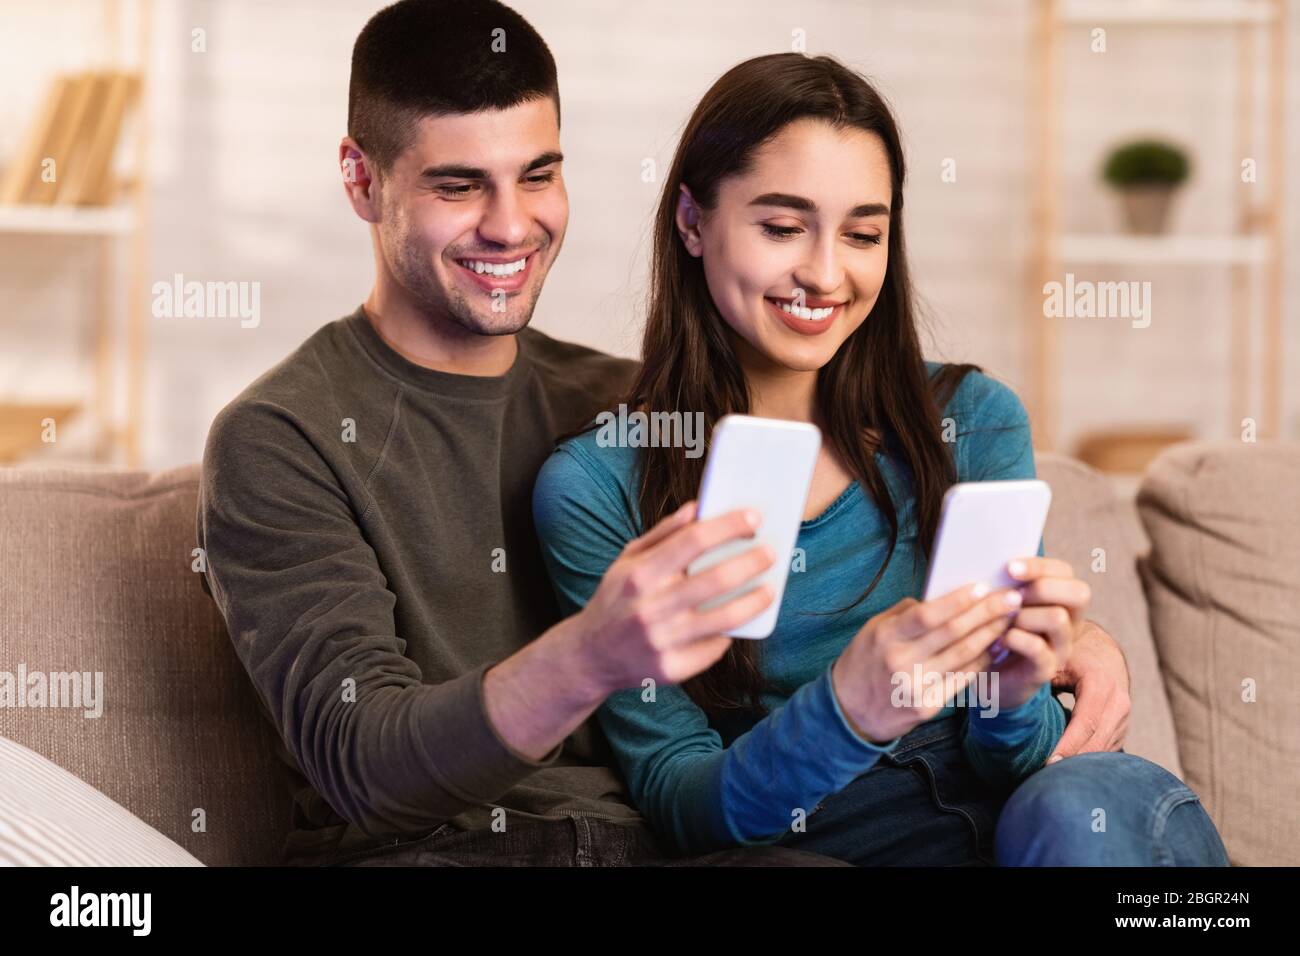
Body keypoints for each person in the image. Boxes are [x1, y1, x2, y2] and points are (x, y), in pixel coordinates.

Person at [532, 52, 1229, 866]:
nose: (827, 274)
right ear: (692, 221)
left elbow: (1027, 759)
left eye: (864, 233)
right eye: (782, 226)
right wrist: (848, 709)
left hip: (1047, 818)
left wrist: (1009, 692)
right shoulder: (597, 485)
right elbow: (683, 805)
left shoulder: (969, 419)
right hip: (829, 838)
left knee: (1074, 810)